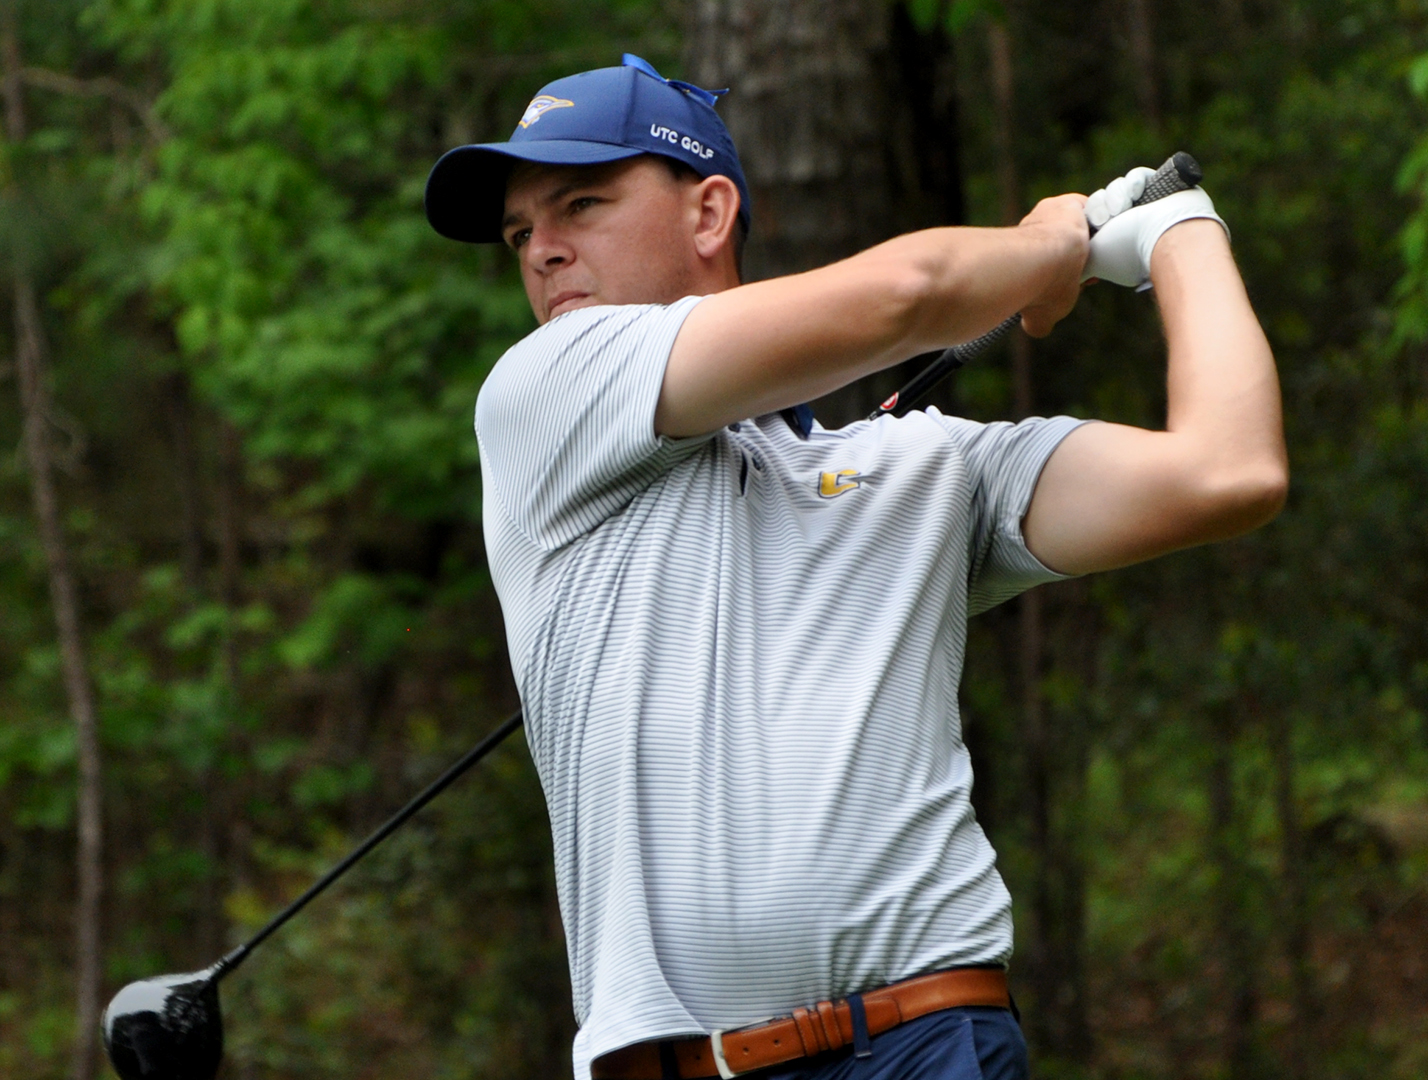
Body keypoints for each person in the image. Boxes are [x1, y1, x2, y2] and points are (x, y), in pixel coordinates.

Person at [423, 55, 1285, 1080]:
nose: (544, 251)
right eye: (520, 233)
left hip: (925, 1042)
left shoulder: (923, 468)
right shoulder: (545, 389)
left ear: (709, 215)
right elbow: (907, 297)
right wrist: (1051, 245)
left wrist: (1181, 232)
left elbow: (1228, 472)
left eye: (581, 204)